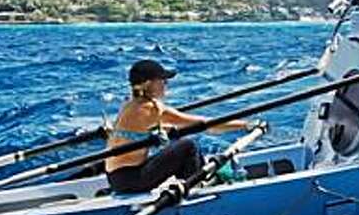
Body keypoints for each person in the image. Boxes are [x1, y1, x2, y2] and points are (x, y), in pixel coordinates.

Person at [105, 59, 253, 193]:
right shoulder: (150, 108)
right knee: (188, 146)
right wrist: (246, 125)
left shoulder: (129, 105)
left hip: (116, 179)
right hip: (132, 179)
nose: (166, 84)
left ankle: (193, 181)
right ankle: (196, 189)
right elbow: (206, 124)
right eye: (163, 80)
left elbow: (150, 128)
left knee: (178, 144)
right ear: (148, 84)